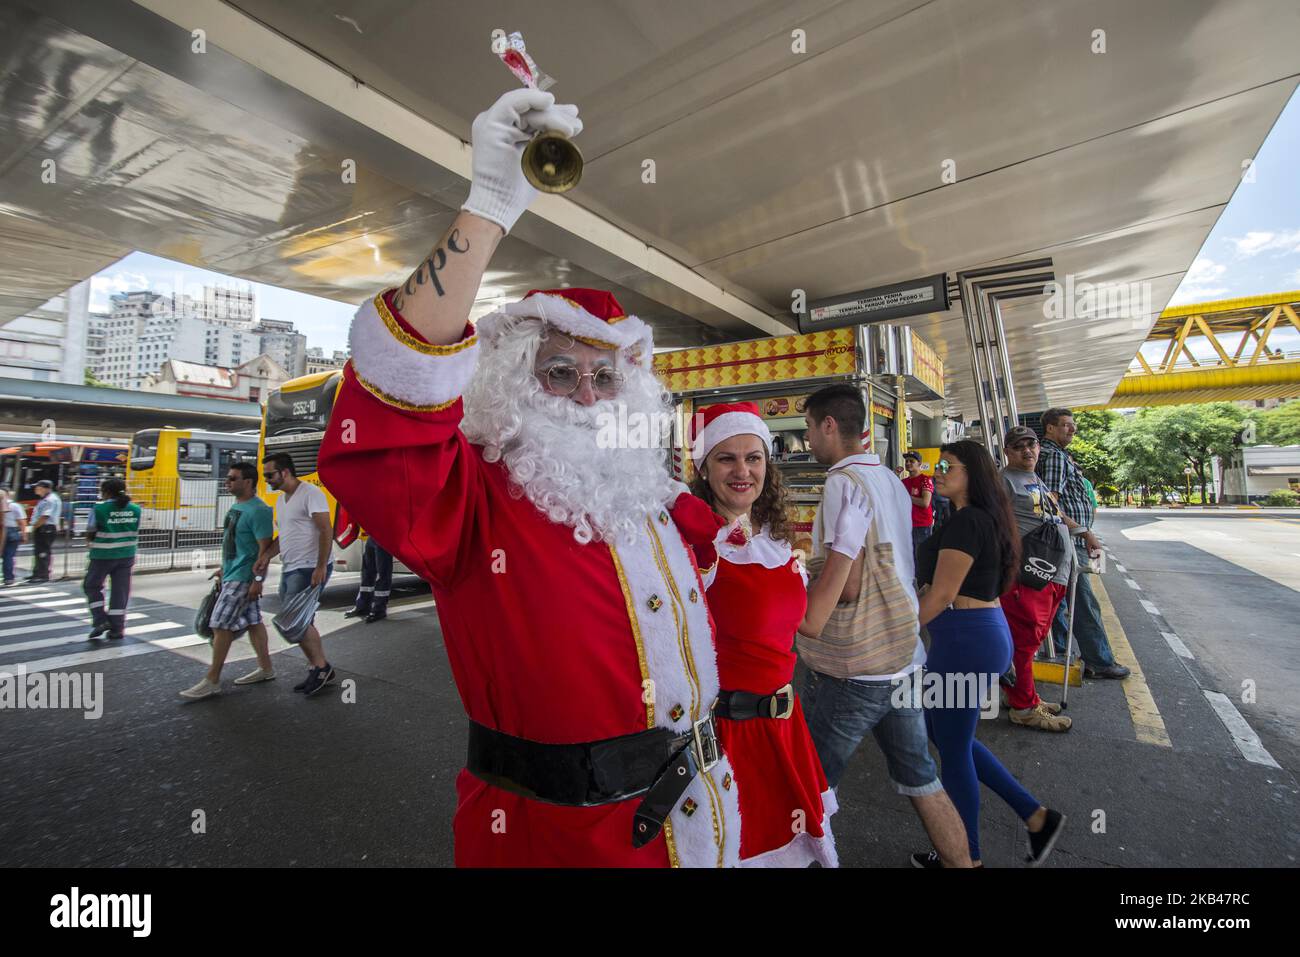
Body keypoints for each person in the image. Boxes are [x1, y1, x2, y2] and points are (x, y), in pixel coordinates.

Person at [317, 88, 742, 867]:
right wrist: (486, 210)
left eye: (604, 378)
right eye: (559, 372)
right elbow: (390, 415)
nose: (586, 395)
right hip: (557, 842)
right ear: (514, 383)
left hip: (705, 824)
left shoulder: (650, 494)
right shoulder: (471, 496)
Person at [677, 401, 870, 867]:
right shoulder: (689, 542)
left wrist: (845, 545)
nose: (742, 470)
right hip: (725, 736)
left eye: (754, 457)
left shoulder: (775, 540)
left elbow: (811, 624)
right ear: (705, 468)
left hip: (784, 729)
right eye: (727, 458)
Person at [799, 384, 974, 869]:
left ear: (830, 425)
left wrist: (803, 579)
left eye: (810, 428)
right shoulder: (890, 479)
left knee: (808, 786)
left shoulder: (841, 483)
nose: (809, 439)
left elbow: (848, 585)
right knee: (921, 776)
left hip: (855, 666)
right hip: (901, 652)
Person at [916, 440, 1066, 866]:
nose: (938, 470)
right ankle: (1037, 817)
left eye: (949, 465)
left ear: (974, 473)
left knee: (954, 748)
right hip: (973, 637)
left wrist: (898, 636)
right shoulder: (973, 517)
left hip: (965, 641)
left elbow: (942, 593)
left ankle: (965, 856)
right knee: (948, 736)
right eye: (937, 464)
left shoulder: (969, 523)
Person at [1035, 408, 1129, 679]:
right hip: (1068, 539)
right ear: (1050, 429)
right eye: (1065, 425)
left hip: (1067, 538)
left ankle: (1064, 652)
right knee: (1083, 602)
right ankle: (1099, 660)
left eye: (1072, 425)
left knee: (1063, 601)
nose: (1072, 430)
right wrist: (1084, 532)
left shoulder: (1059, 455)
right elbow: (1049, 505)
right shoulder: (1053, 457)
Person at [180, 462, 276, 700]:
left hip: (244, 578)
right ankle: (266, 668)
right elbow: (235, 543)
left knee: (220, 625)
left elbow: (263, 552)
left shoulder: (259, 511)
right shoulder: (237, 507)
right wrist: (224, 568)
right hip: (233, 573)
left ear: (248, 482)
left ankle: (212, 680)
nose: (227, 482)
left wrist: (257, 580)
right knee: (254, 622)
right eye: (228, 478)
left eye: (233, 478)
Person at [999, 426, 1072, 732]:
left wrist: (1085, 533)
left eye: (1031, 445)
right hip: (1028, 575)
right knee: (1024, 642)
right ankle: (1024, 707)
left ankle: (1022, 695)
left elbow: (1054, 515)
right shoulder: (1004, 481)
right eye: (1019, 447)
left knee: (1031, 640)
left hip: (1052, 573)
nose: (1027, 451)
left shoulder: (1033, 478)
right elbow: (993, 523)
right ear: (1007, 452)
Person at [253, 453, 336, 695]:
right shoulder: (282, 500)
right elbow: (286, 534)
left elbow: (325, 530)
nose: (266, 479)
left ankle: (321, 667)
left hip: (309, 566)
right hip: (291, 567)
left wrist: (321, 566)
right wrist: (267, 555)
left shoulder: (310, 494)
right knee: (301, 621)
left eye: (270, 474)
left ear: (285, 472)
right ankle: (318, 668)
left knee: (293, 621)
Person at [82, 478, 142, 640]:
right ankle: (117, 628)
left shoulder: (100, 509)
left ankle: (100, 619)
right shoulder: (136, 509)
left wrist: (90, 542)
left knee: (91, 586)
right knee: (120, 592)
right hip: (127, 555)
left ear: (106, 492)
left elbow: (90, 531)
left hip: (102, 555)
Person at [345, 536, 393, 623]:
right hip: (372, 536)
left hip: (383, 536)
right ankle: (363, 606)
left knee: (382, 573)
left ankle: (379, 609)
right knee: (367, 573)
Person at [26, 479, 61, 582]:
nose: (36, 489)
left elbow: (45, 516)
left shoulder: (50, 500)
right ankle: (37, 573)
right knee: (39, 551)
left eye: (39, 487)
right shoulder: (45, 499)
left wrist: (34, 527)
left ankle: (43, 575)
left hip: (46, 529)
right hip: (44, 528)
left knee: (43, 552)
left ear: (46, 489)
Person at [901, 450, 935, 553]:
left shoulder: (925, 480)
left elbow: (925, 503)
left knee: (921, 556)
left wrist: (907, 497)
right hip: (907, 524)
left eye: (911, 461)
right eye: (906, 461)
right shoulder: (903, 482)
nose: (908, 463)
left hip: (922, 525)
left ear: (919, 464)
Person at [1, 487, 28, 585]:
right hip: (11, 531)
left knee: (6, 556)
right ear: (8, 494)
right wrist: (24, 534)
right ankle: (8, 578)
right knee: (8, 556)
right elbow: (22, 521)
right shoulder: (15, 506)